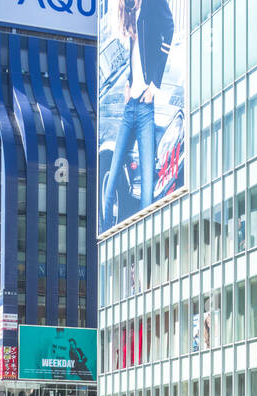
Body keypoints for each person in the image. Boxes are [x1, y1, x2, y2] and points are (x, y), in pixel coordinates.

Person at [101, 0, 176, 231]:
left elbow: (170, 29)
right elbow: (134, 55)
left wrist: (155, 84)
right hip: (130, 106)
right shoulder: (132, 11)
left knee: (147, 183)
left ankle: (146, 236)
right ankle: (104, 230)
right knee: (111, 178)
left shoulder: (154, 4)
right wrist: (127, 82)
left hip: (145, 107)